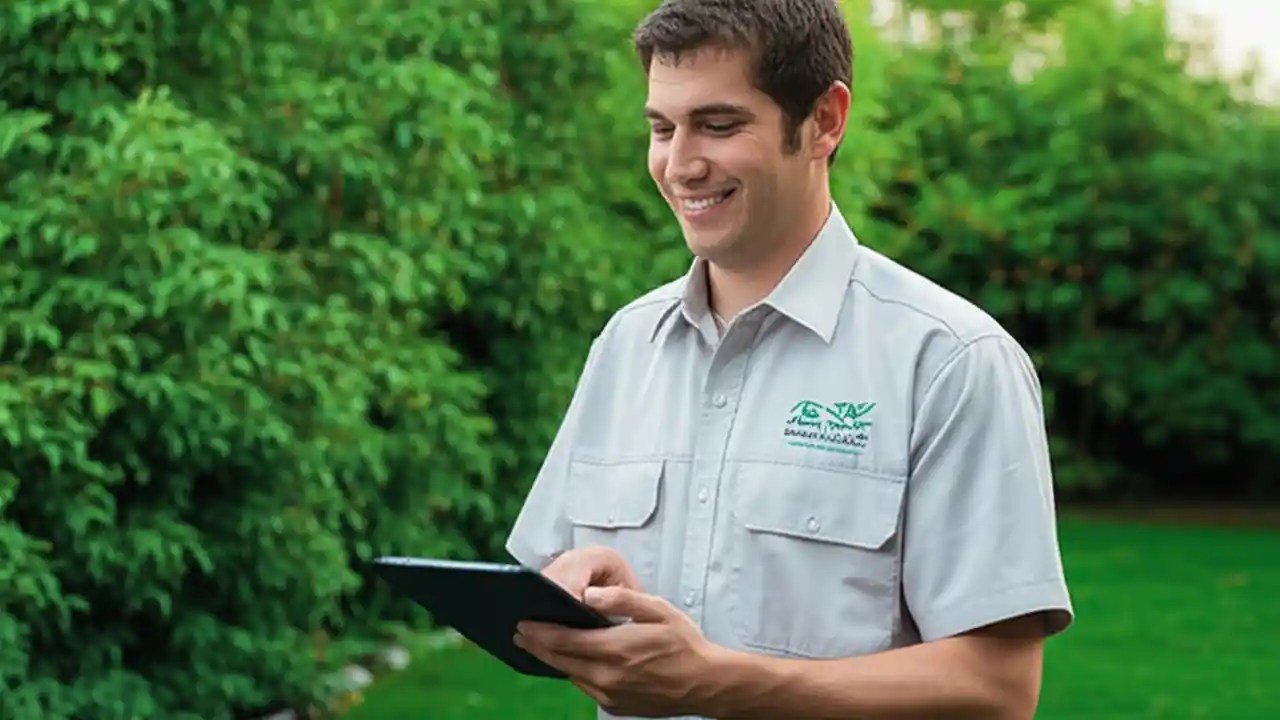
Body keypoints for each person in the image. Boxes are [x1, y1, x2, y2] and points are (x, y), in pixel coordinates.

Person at [505, 0, 1074, 717]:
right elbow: (546, 574)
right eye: (662, 128)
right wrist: (582, 580)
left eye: (718, 125)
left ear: (825, 121)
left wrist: (719, 681)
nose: (679, 165)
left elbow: (998, 688)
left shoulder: (951, 362)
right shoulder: (626, 344)